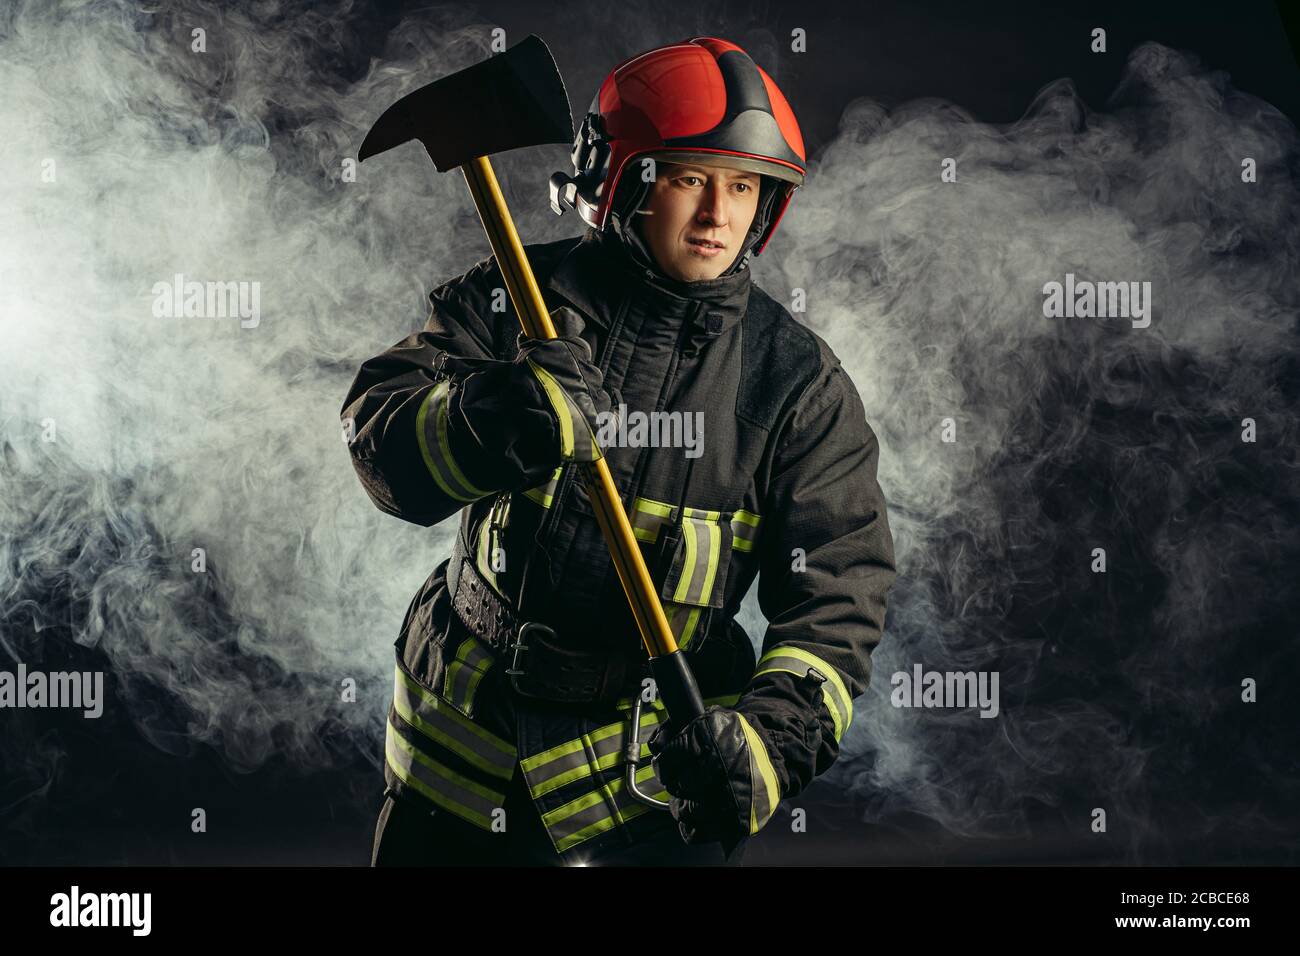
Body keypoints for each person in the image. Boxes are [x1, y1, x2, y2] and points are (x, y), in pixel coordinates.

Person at [341, 36, 897, 866]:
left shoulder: (797, 387)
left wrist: (767, 746)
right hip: (458, 767)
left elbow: (838, 597)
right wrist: (495, 416)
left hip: (646, 794)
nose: (718, 215)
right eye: (688, 180)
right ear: (621, 181)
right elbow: (382, 451)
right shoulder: (507, 303)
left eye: (743, 186)